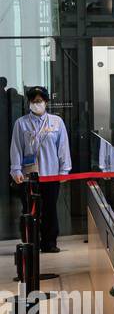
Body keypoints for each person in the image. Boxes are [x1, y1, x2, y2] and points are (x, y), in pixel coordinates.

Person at [9, 86, 71, 252]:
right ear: (29, 103)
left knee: (50, 209)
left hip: (51, 175)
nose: (37, 104)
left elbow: (63, 147)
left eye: (40, 101)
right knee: (29, 210)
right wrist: (15, 170)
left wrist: (64, 170)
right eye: (34, 101)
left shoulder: (56, 122)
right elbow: (16, 148)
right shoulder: (21, 124)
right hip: (29, 176)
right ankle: (31, 243)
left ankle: (49, 242)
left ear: (46, 102)